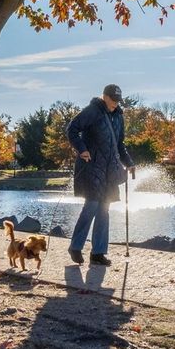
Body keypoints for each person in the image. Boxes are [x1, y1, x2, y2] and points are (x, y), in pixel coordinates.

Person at [66, 83, 135, 266]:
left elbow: (120, 144)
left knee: (104, 209)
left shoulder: (119, 117)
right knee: (92, 206)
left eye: (117, 101)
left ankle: (98, 253)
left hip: (109, 170)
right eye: (113, 100)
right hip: (92, 167)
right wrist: (82, 149)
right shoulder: (92, 111)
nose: (115, 104)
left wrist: (129, 163)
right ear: (104, 96)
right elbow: (72, 129)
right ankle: (75, 246)